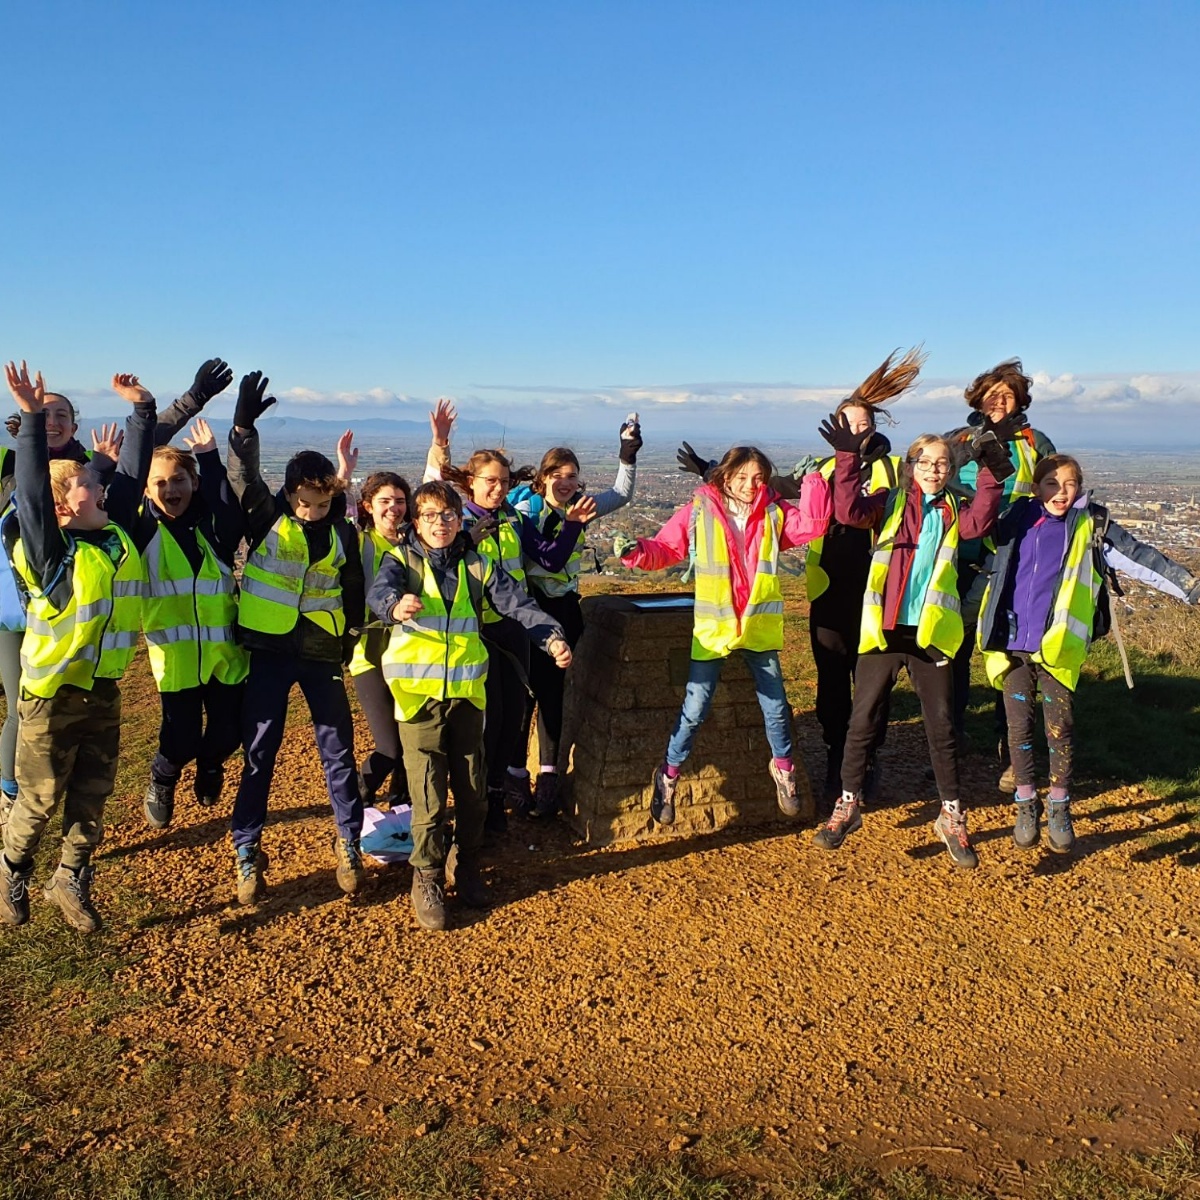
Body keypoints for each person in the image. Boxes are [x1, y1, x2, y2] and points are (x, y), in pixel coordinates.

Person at [675, 351, 919, 813]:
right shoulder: (825, 470)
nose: (854, 432)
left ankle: (865, 762)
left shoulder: (889, 472)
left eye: (861, 425)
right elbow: (774, 488)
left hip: (874, 592)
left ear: (873, 427)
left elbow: (854, 513)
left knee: (870, 685)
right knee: (830, 681)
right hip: (828, 589)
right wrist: (713, 471)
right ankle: (835, 761)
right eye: (845, 424)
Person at [0, 357, 233, 819]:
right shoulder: (12, 464)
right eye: (43, 415)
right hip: (15, 610)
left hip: (83, 616)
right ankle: (13, 799)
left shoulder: (93, 470)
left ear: (73, 425)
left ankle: (72, 822)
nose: (52, 421)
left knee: (85, 721)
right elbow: (30, 498)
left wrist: (189, 399)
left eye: (61, 415)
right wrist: (27, 431)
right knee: (21, 706)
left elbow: (144, 451)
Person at [369, 481, 572, 931]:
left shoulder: (478, 566)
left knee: (475, 790)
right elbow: (379, 592)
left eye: (448, 516)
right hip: (418, 701)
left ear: (459, 520)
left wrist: (551, 635)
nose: (440, 524)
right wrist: (393, 605)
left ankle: (467, 865)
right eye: (430, 516)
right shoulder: (399, 560)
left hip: (466, 696)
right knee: (429, 796)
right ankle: (426, 877)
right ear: (415, 522)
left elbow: (517, 604)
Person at [812, 415, 1011, 868]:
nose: (934, 468)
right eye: (926, 461)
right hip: (882, 632)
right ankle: (848, 803)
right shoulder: (889, 503)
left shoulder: (955, 509)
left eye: (942, 462)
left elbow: (980, 522)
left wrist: (992, 474)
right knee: (861, 721)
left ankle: (952, 815)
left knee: (941, 727)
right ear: (911, 465)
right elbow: (847, 511)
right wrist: (847, 459)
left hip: (929, 636)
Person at [977, 454, 1200, 853]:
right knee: (1017, 730)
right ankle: (1026, 804)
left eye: (1069, 484)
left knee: (1059, 731)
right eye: (1051, 483)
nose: (1061, 492)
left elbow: (1140, 559)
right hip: (1010, 645)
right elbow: (972, 530)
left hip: (1058, 647)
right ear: (1036, 486)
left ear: (1079, 487)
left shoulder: (1091, 525)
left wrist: (1189, 588)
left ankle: (1060, 805)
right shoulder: (1015, 518)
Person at [0, 362, 155, 932]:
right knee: (38, 802)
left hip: (101, 693)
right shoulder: (48, 553)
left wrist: (143, 412)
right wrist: (33, 421)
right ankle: (12, 867)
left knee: (92, 799)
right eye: (92, 480)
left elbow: (133, 481)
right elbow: (33, 493)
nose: (103, 482)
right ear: (67, 503)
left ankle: (70, 877)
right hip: (48, 699)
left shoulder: (115, 539)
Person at [616, 445, 832, 823]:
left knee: (777, 707)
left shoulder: (775, 512)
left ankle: (783, 771)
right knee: (695, 708)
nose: (751, 485)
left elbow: (813, 526)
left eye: (759, 478)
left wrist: (813, 481)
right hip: (714, 627)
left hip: (756, 626)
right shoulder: (700, 510)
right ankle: (668, 777)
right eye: (743, 477)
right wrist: (635, 552)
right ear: (725, 476)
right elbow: (667, 548)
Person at [225, 371, 366, 905]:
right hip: (268, 652)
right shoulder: (267, 518)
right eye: (303, 501)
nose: (311, 511)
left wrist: (351, 636)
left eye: (321, 502)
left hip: (322, 653)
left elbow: (351, 585)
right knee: (260, 751)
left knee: (338, 750)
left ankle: (348, 842)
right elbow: (244, 476)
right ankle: (246, 849)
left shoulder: (342, 529)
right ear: (288, 494)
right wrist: (242, 426)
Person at [432, 436, 594, 830]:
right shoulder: (456, 522)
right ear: (470, 481)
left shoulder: (513, 519)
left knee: (510, 718)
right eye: (490, 481)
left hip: (513, 628)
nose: (498, 488)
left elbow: (549, 559)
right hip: (474, 632)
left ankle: (495, 800)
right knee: (481, 723)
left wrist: (571, 526)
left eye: (504, 481)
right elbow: (436, 567)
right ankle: (469, 809)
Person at [509, 422, 640, 817]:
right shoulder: (524, 512)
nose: (566, 483)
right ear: (543, 477)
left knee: (552, 693)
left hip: (565, 608)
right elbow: (546, 558)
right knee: (522, 697)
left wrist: (627, 454)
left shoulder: (578, 506)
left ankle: (548, 776)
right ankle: (515, 775)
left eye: (572, 477)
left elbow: (621, 494)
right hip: (528, 610)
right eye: (557, 476)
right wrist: (573, 524)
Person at [944, 359, 1056, 782]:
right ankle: (950, 736)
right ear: (978, 399)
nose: (999, 402)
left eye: (1007, 395)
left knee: (1007, 650)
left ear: (1020, 401)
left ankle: (1010, 745)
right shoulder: (958, 439)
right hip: (960, 551)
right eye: (992, 395)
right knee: (950, 646)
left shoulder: (1034, 440)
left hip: (1014, 554)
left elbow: (1054, 487)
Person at [137, 419, 248, 828]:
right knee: (179, 738)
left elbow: (228, 508)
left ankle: (211, 765)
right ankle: (163, 777)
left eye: (179, 479)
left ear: (194, 483)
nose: (171, 489)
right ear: (146, 490)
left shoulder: (213, 529)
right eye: (160, 483)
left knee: (227, 733)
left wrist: (210, 457)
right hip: (176, 659)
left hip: (225, 654)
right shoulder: (143, 531)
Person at [348, 469, 413, 809]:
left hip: (411, 654)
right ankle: (355, 800)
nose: (393, 508)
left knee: (410, 739)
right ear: (368, 507)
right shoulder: (359, 544)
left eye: (400, 501)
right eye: (384, 501)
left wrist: (439, 446)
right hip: (368, 654)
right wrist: (343, 474)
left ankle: (404, 811)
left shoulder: (416, 545)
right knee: (389, 745)